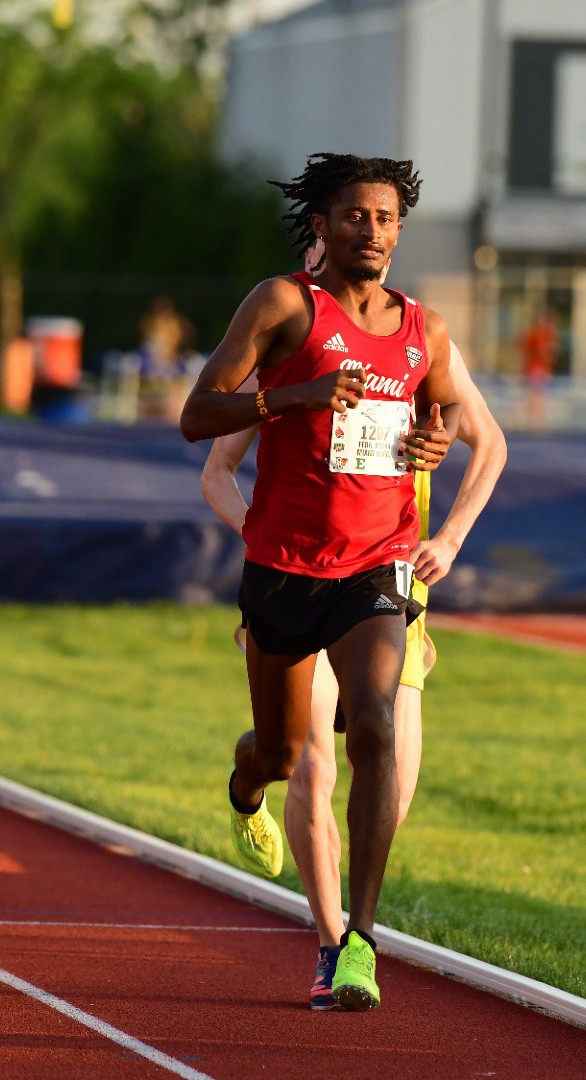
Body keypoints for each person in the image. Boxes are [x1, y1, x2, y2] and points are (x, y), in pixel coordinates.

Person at [179, 153, 460, 1012]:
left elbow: (442, 407)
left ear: (400, 229)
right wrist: (290, 397)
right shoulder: (282, 305)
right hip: (283, 568)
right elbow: (197, 415)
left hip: (375, 564)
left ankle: (358, 944)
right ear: (322, 225)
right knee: (281, 752)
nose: (372, 231)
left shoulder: (425, 328)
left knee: (372, 725)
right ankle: (244, 786)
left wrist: (435, 439)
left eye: (386, 218)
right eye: (354, 216)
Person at [202, 332, 506, 1010]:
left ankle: (344, 931)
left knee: (391, 792)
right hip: (296, 580)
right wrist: (268, 546)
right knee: (309, 767)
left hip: (385, 589)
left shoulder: (420, 339)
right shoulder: (291, 339)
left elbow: (490, 442)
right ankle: (335, 946)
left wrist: (451, 538)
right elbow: (217, 471)